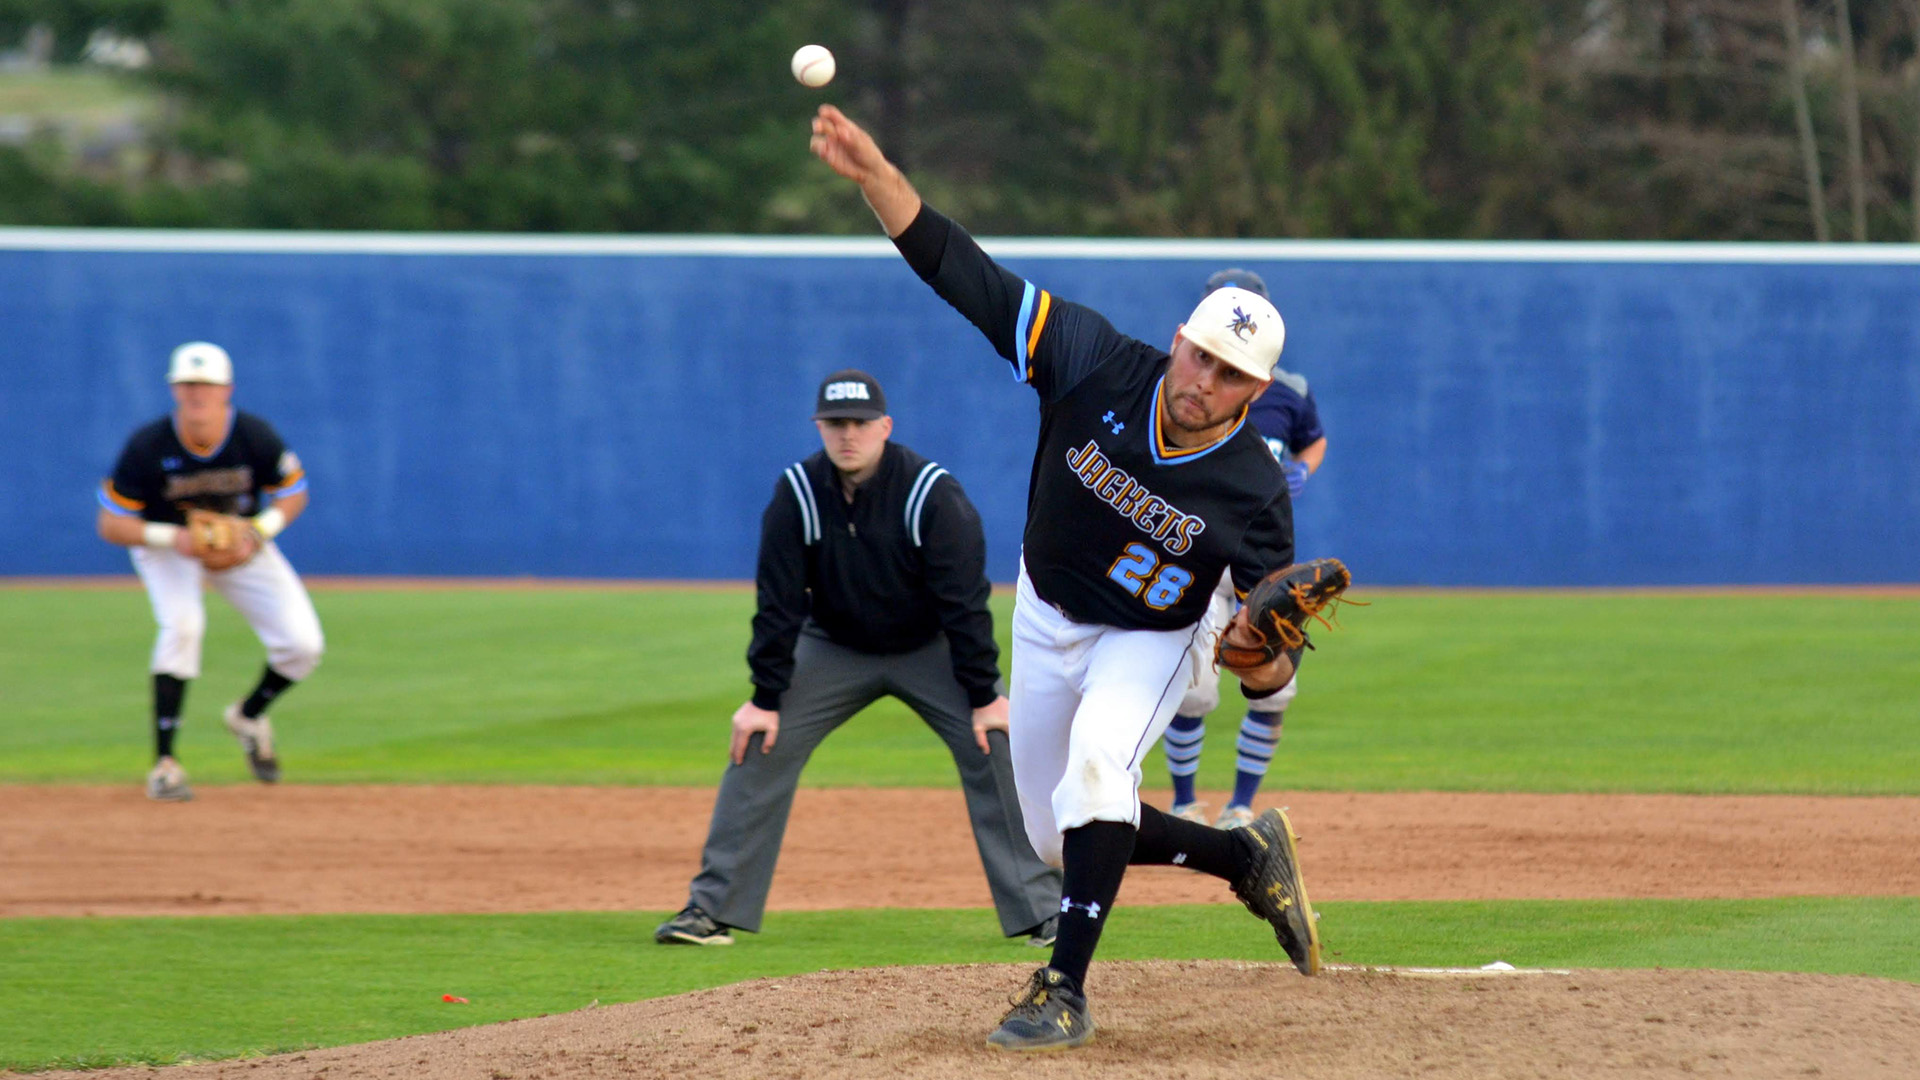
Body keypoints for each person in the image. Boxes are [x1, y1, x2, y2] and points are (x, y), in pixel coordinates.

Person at [809, 105, 1336, 1052]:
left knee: (1099, 771)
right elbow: (964, 275)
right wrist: (876, 176)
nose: (1202, 379)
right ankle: (1241, 856)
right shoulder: (1093, 358)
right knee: (1064, 836)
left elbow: (1274, 668)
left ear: (1258, 395)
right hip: (1047, 614)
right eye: (1199, 353)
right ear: (1178, 337)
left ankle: (1064, 990)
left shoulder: (1257, 489)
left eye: (1228, 376)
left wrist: (1259, 655)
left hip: (1154, 636)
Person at [655, 369, 1062, 949]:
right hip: (834, 645)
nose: (849, 435)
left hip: (931, 646)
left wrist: (982, 696)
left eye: (861, 423)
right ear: (820, 427)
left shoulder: (932, 493)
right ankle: (711, 909)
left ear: (885, 426)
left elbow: (964, 602)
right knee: (759, 740)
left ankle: (1044, 910)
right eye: (836, 423)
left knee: (994, 740)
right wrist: (764, 700)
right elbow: (778, 603)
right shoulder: (797, 491)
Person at [95, 342, 325, 801]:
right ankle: (165, 764)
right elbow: (112, 523)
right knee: (183, 626)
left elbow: (294, 492)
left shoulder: (254, 436)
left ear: (227, 390)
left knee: (303, 645)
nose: (197, 393)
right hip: (170, 547)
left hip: (240, 544)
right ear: (175, 390)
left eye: (207, 385)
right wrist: (171, 538)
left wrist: (258, 532)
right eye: (188, 384)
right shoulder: (149, 445)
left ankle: (248, 716)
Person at [1164, 268, 1329, 831]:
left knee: (1273, 685)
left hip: (1261, 561)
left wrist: (1303, 468)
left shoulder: (1289, 390)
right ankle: (1184, 802)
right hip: (1199, 557)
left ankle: (1240, 807)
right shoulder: (1182, 384)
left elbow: (1313, 438)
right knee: (1194, 692)